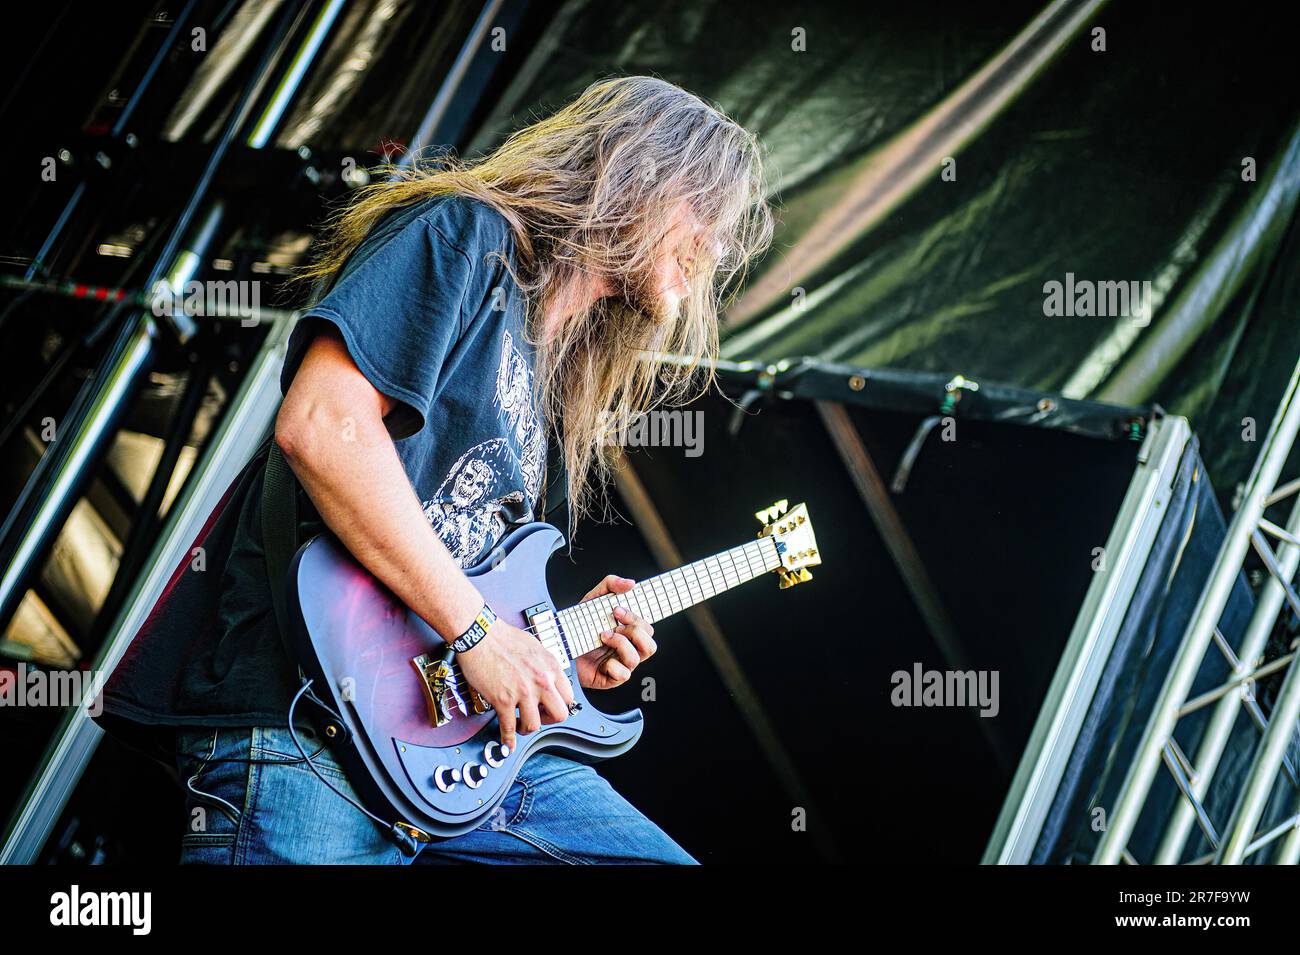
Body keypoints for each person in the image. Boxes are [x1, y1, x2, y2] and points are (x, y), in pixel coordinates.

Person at [97, 74, 773, 864]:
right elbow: (323, 426)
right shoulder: (463, 234)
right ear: (643, 180)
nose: (715, 251)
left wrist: (549, 650)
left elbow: (459, 558)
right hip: (306, 726)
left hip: (447, 749)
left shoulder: (547, 369)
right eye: (709, 216)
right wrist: (480, 632)